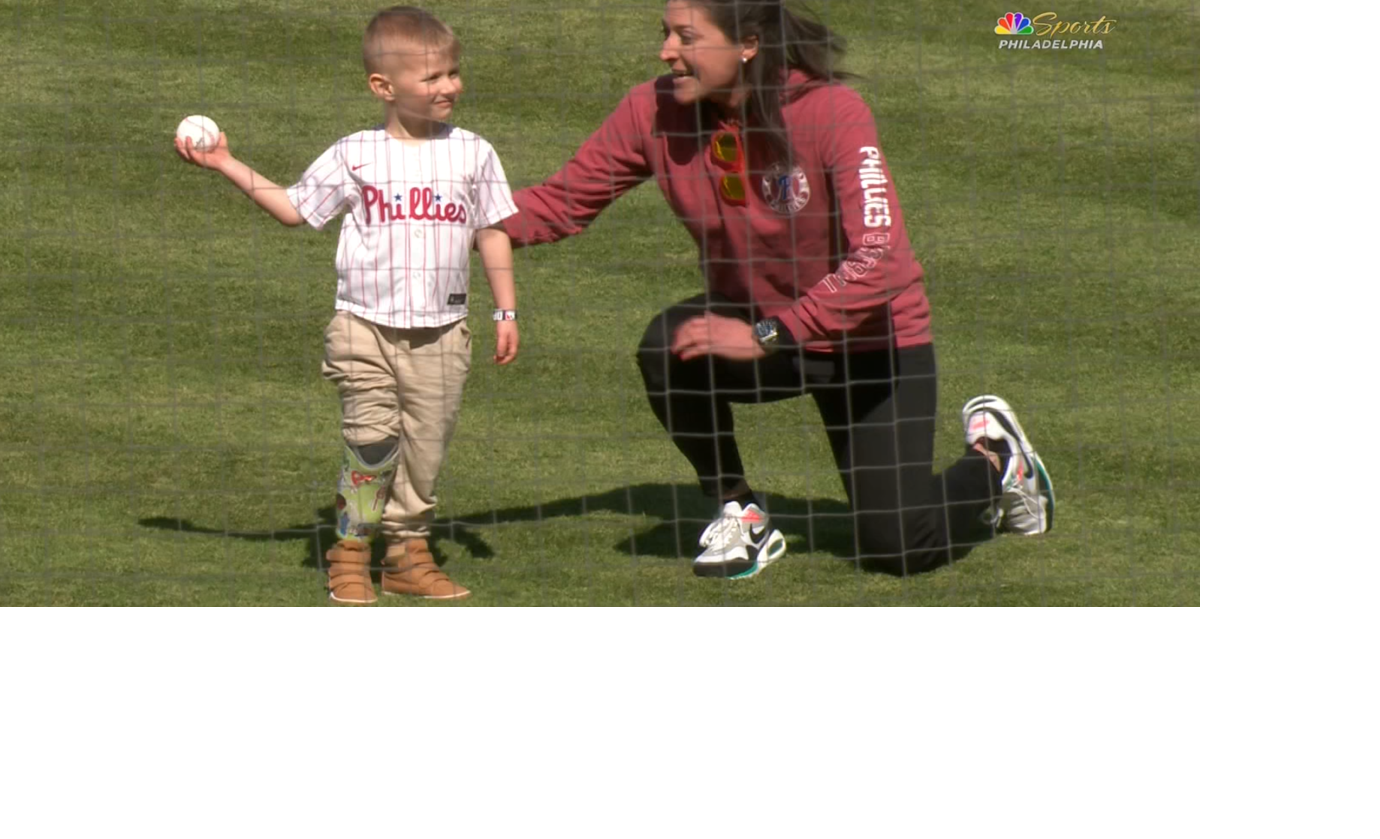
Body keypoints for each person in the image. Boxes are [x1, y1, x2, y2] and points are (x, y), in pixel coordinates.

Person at [501, 0, 1053, 577]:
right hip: (764, 329)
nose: (666, 51)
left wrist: (773, 332)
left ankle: (999, 462)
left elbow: (881, 260)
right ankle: (740, 511)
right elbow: (558, 204)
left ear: (747, 44)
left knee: (900, 547)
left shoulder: (830, 111)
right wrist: (439, 220)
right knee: (668, 344)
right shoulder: (653, 110)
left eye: (686, 37)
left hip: (870, 346)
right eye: (664, 33)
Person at [174, 5, 520, 603]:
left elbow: (492, 230)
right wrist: (225, 161)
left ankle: (408, 558)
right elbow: (293, 208)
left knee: (425, 452)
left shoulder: (474, 152)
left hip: (444, 333)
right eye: (433, 78)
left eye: (453, 74)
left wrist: (506, 311)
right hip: (362, 328)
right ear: (384, 87)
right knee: (373, 443)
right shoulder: (355, 153)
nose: (450, 87)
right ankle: (350, 550)